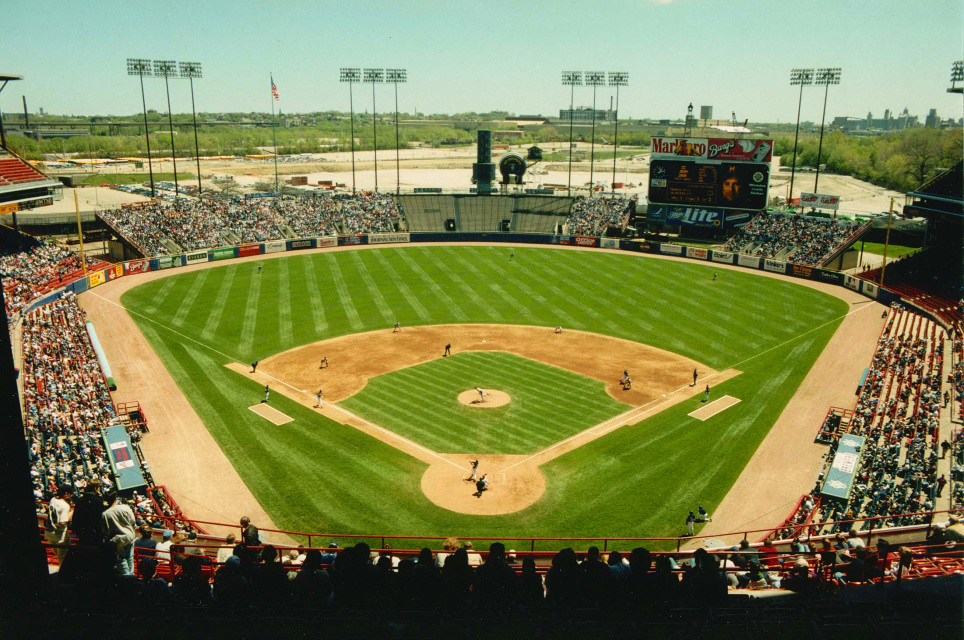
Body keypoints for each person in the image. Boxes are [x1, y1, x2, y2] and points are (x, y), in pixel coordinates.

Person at [102, 491, 137, 575]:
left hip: (117, 539)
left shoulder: (105, 514)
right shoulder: (125, 507)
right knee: (129, 557)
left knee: (121, 559)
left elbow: (105, 531)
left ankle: (126, 576)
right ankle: (130, 575)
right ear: (116, 498)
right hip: (129, 536)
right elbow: (133, 521)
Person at [44, 484, 73, 565]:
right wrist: (72, 512)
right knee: (63, 558)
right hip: (59, 535)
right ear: (66, 493)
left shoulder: (53, 499)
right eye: (70, 493)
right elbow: (63, 522)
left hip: (49, 532)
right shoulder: (65, 505)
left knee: (59, 556)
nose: (71, 495)